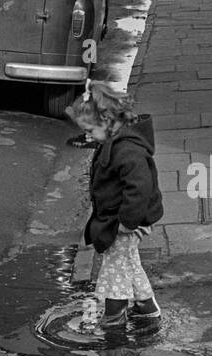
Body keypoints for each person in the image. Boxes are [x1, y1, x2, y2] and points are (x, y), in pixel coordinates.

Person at [66, 81, 164, 330]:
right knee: (128, 262)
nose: (88, 135)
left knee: (114, 270)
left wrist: (126, 223)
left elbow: (139, 189)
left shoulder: (127, 151)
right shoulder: (114, 143)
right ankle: (147, 308)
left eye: (90, 128)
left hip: (123, 221)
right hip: (120, 218)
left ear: (108, 120)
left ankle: (114, 319)